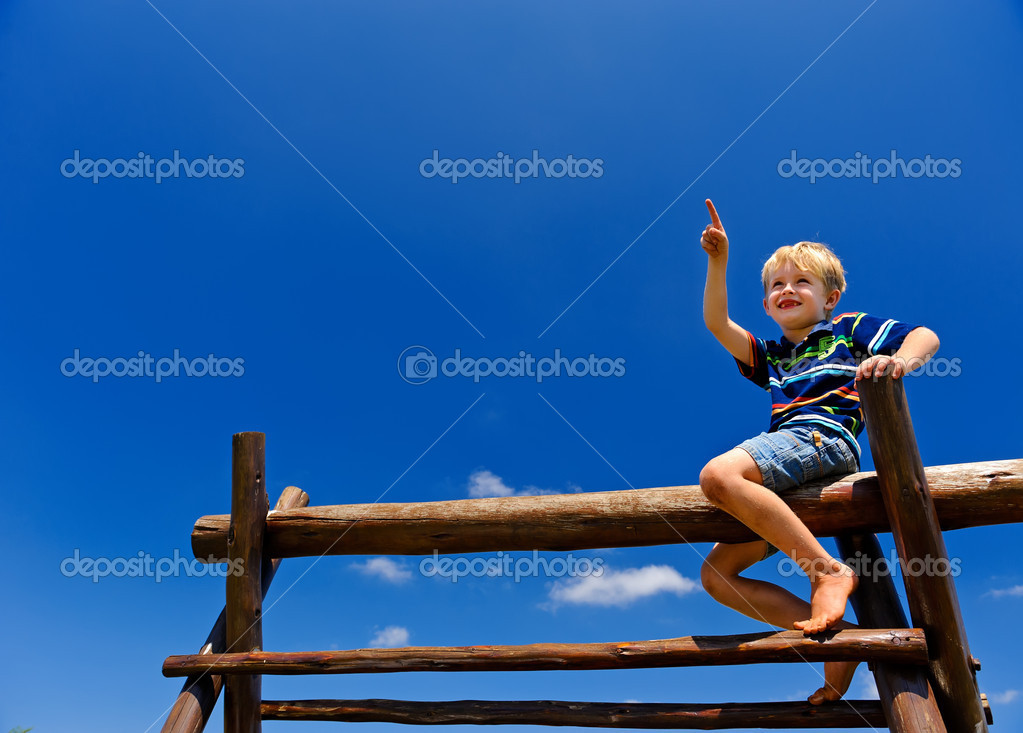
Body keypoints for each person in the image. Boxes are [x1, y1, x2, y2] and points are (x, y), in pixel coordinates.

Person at [697, 198, 940, 704]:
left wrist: (897, 363)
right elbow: (718, 324)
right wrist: (718, 262)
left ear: (830, 297)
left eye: (801, 282)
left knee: (718, 477)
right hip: (788, 465)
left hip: (823, 440)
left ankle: (826, 572)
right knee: (716, 576)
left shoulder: (846, 329)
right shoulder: (773, 354)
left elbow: (924, 335)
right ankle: (836, 640)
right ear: (766, 305)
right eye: (775, 286)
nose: (787, 290)